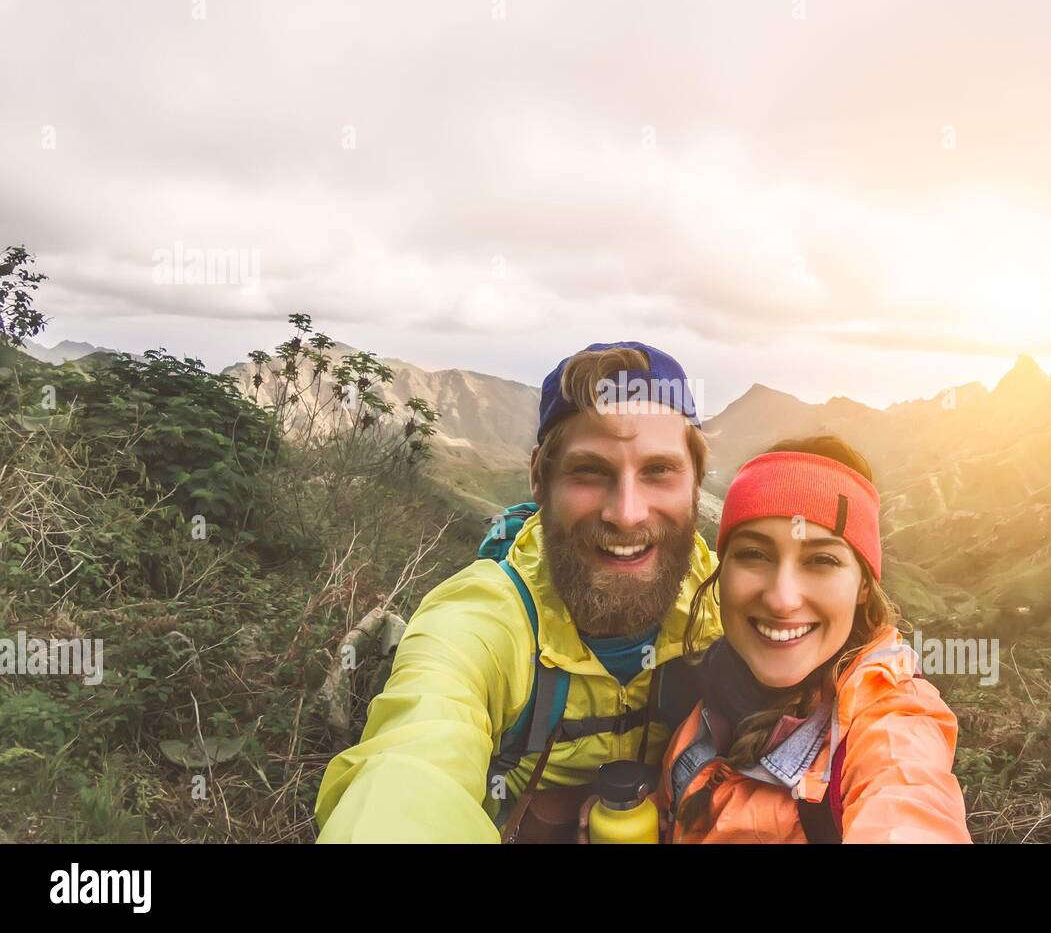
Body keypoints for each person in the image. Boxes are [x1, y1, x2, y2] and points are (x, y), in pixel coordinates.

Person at [314, 341, 721, 842]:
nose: (627, 512)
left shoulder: (730, 610)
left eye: (659, 471)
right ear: (538, 477)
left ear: (696, 485)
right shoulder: (482, 620)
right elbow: (408, 767)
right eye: (590, 471)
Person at [656, 436, 973, 843]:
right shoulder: (703, 682)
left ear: (863, 586)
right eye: (754, 554)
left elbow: (908, 801)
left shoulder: (889, 717)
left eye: (822, 560)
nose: (782, 599)